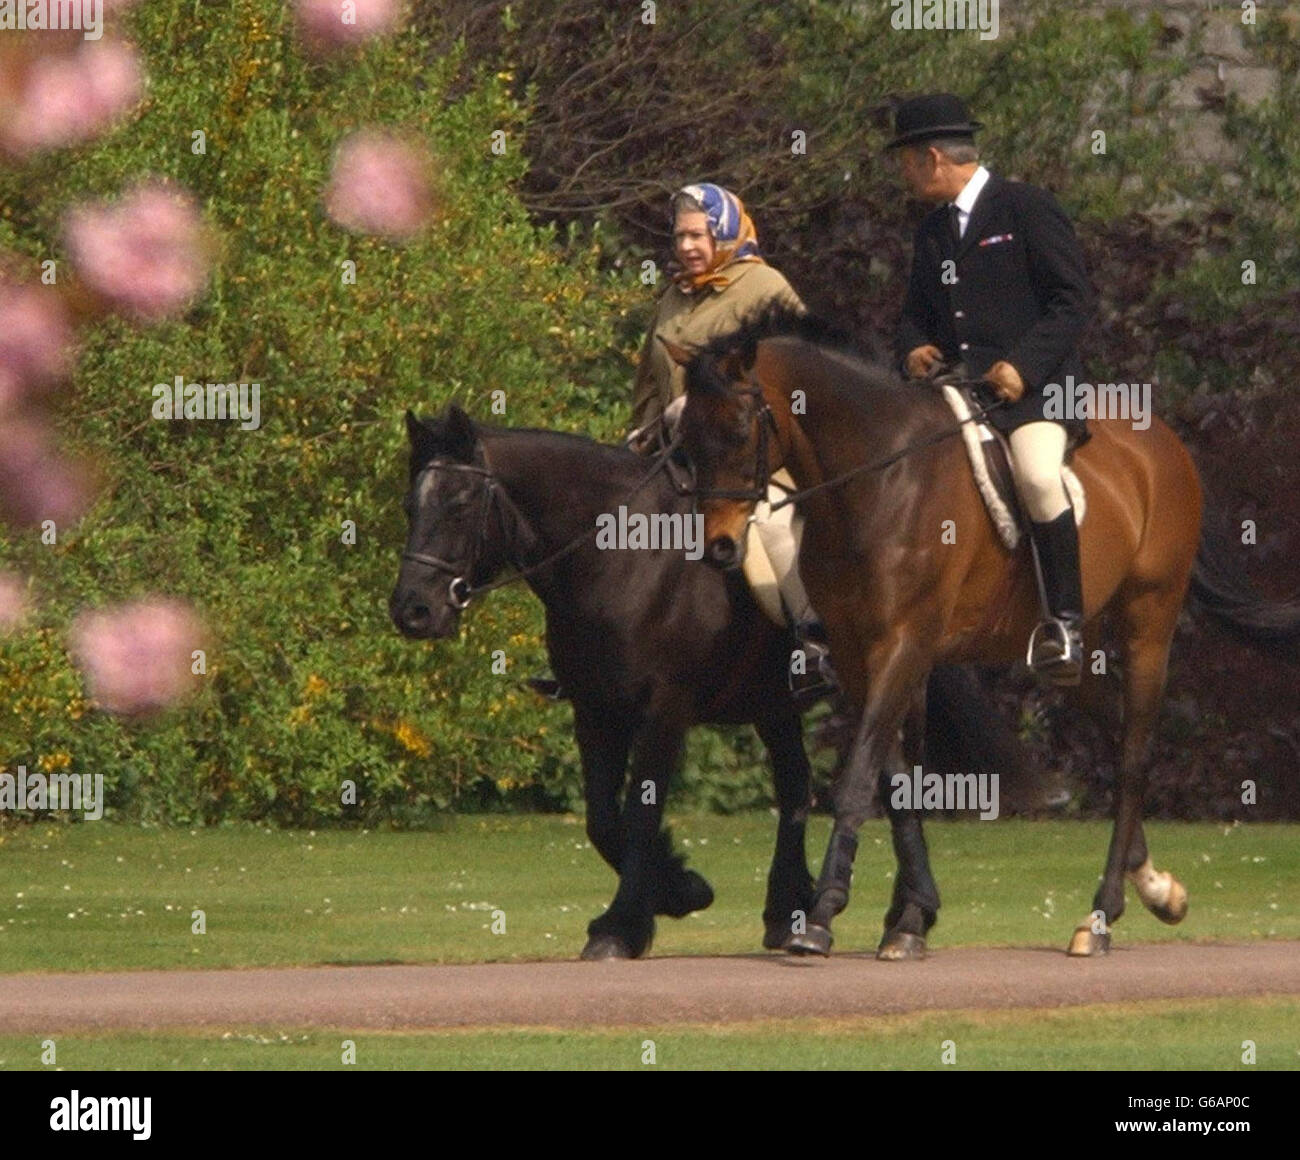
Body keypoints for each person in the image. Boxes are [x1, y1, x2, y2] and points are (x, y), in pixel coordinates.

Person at [890, 94, 1096, 685]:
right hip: (958, 394)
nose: (903, 174)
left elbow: (1073, 300)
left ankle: (1065, 623)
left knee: (1035, 474)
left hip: (1037, 392)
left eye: (905, 161)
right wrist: (912, 348)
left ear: (932, 157)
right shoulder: (931, 232)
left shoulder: (1026, 207)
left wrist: (1022, 368)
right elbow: (912, 315)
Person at [629, 182, 834, 703]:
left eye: (699, 235)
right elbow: (649, 383)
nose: (687, 247)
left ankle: (813, 642)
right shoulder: (672, 298)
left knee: (769, 529)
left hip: (752, 459)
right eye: (679, 237)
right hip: (675, 458)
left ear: (724, 231)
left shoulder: (765, 286)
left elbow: (807, 368)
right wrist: (639, 434)